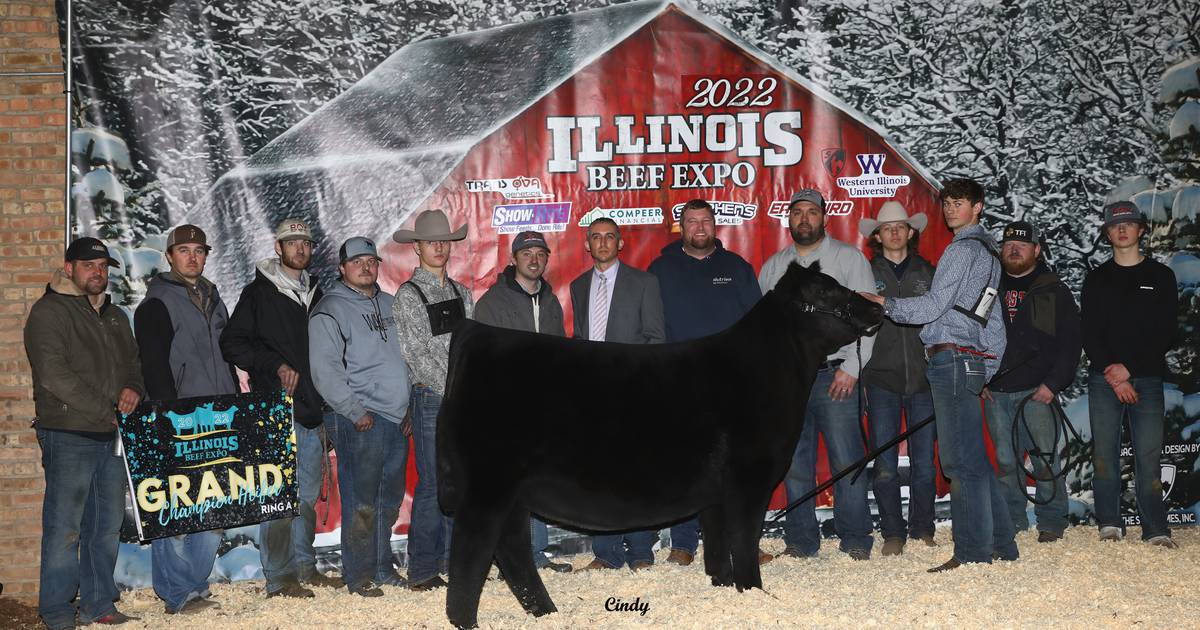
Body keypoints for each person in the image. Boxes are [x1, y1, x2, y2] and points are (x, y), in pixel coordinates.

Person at [861, 178, 1016, 572]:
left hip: (950, 360)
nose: (950, 209)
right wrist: (988, 367)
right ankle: (1001, 544)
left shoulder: (961, 250)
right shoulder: (989, 253)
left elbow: (932, 306)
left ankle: (970, 552)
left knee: (959, 462)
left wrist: (885, 303)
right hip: (970, 360)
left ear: (978, 207)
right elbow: (991, 317)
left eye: (959, 203)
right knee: (975, 460)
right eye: (946, 203)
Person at [25, 238, 144, 628]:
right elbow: (54, 375)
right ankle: (58, 612)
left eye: (103, 266)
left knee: (105, 525)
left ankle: (99, 603)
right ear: (69, 267)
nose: (98, 273)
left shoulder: (114, 315)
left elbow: (133, 364)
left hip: (109, 434)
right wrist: (104, 410)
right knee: (65, 527)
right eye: (89, 265)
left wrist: (133, 390)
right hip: (68, 432)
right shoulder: (49, 312)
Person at [220, 219, 342, 597]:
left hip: (312, 406)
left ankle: (304, 566)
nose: (300, 249)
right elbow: (232, 343)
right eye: (292, 243)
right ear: (279, 247)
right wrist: (274, 365)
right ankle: (279, 576)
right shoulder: (259, 293)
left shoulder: (318, 294)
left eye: (305, 243)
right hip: (276, 407)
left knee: (305, 492)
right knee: (278, 492)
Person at [647, 199, 768, 566]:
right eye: (692, 222)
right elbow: (654, 329)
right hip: (682, 386)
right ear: (680, 227)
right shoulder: (660, 270)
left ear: (715, 226)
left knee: (737, 465)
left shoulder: (738, 268)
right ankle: (683, 544)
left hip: (733, 387)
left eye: (706, 221)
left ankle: (743, 540)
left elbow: (758, 327)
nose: (699, 228)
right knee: (686, 467)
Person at [759, 189, 876, 561]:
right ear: (789, 220)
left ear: (824, 218)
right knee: (794, 463)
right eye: (797, 213)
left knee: (846, 460)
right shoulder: (774, 267)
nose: (804, 219)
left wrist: (852, 369)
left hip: (834, 373)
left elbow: (870, 318)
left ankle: (856, 538)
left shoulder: (847, 259)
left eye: (812, 212)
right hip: (791, 380)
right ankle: (801, 540)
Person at [134, 225, 236, 612]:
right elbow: (153, 366)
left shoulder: (214, 298)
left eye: (198, 250)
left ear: (206, 255)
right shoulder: (156, 304)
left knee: (211, 508)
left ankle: (196, 587)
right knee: (177, 507)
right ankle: (177, 594)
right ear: (170, 256)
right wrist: (166, 418)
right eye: (183, 250)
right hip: (179, 419)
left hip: (219, 415)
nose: (192, 257)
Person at [309, 237, 412, 596]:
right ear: (342, 268)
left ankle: (383, 568)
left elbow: (408, 358)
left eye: (371, 260)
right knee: (362, 501)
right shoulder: (330, 309)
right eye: (357, 262)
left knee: (388, 499)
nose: (365, 267)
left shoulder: (390, 303)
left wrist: (408, 404)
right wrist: (354, 411)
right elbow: (324, 370)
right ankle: (359, 576)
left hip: (396, 417)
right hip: (361, 419)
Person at [1081, 201, 1179, 548]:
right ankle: (1109, 523)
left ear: (1140, 230)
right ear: (1107, 234)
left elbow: (1166, 331)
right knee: (1105, 455)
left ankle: (1156, 530)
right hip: (1103, 379)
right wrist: (1115, 373)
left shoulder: (1161, 277)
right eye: (1115, 225)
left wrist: (1131, 370)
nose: (1122, 230)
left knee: (1149, 456)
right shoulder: (1096, 278)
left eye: (1129, 224)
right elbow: (1089, 332)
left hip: (1148, 379)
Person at [474, 230, 572, 573]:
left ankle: (535, 554)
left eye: (540, 253)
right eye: (526, 253)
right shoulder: (491, 304)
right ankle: (511, 557)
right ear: (513, 259)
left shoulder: (549, 301)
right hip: (507, 409)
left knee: (535, 481)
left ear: (546, 259)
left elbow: (561, 356)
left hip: (543, 409)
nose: (534, 259)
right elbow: (483, 362)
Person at [570, 217, 665, 570]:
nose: (603, 242)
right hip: (593, 396)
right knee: (598, 475)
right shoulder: (579, 286)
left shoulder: (644, 283)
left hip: (633, 392)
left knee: (636, 473)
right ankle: (606, 553)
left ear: (621, 243)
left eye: (610, 237)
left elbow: (656, 340)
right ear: (587, 245)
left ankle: (641, 550)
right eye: (596, 237)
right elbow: (581, 339)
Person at [983, 220, 1080, 544]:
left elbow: (1070, 343)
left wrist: (1053, 384)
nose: (1014, 249)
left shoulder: (1052, 289)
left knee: (1044, 458)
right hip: (997, 390)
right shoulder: (989, 287)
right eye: (1009, 244)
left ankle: (1051, 521)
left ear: (1036, 250)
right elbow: (974, 333)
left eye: (1022, 245)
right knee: (1006, 460)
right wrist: (981, 377)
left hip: (1037, 390)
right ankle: (1013, 519)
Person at [393, 209, 474, 590]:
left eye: (444, 241)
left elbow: (471, 348)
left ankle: (452, 561)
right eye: (431, 242)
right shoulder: (408, 296)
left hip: (460, 400)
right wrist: (454, 389)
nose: (439, 247)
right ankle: (422, 569)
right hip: (432, 399)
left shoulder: (463, 293)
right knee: (431, 483)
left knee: (456, 480)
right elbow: (415, 354)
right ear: (418, 249)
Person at [857, 201, 937, 556]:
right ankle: (892, 532)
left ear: (911, 232)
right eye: (886, 227)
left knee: (924, 463)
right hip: (880, 380)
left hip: (924, 380)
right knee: (885, 464)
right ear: (876, 235)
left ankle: (923, 529)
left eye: (900, 226)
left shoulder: (930, 272)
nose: (893, 231)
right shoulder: (863, 273)